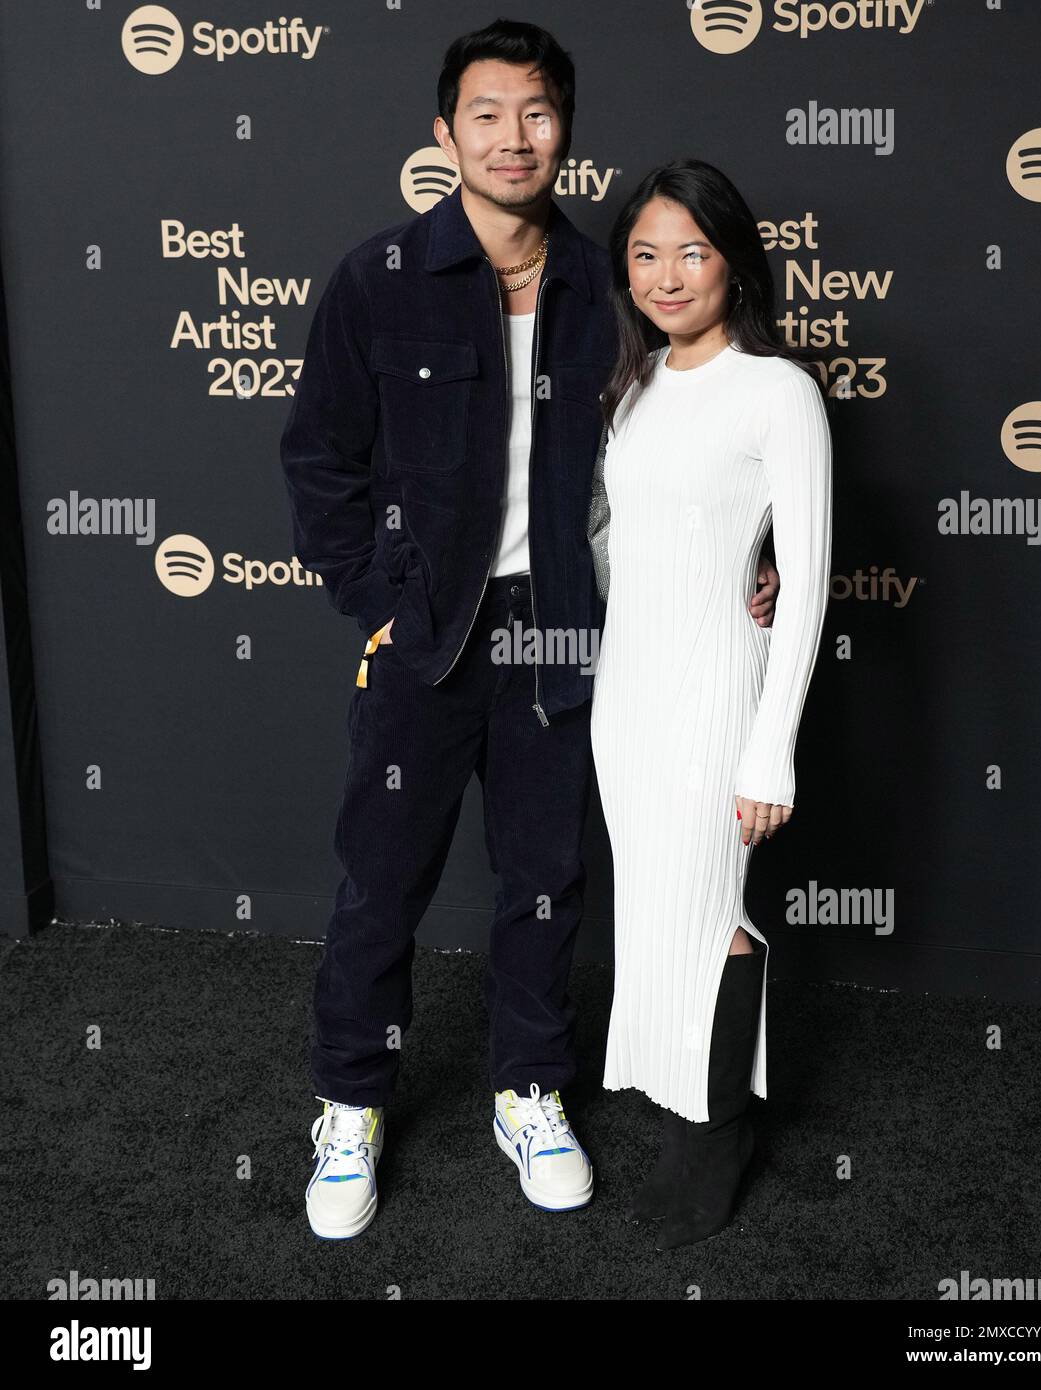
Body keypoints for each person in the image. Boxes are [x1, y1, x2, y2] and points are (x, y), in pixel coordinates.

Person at [281, 19, 781, 1241]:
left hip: (562, 632)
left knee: (547, 881)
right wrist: (384, 605)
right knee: (378, 883)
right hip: (429, 635)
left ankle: (529, 1089)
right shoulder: (376, 280)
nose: (515, 137)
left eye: (538, 113)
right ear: (444, 133)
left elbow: (687, 436)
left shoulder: (604, 285)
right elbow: (319, 459)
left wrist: (746, 552)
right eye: (488, 113)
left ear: (566, 128)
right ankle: (349, 1103)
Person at [587, 159, 833, 1250]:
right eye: (645, 253)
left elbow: (810, 572)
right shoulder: (632, 388)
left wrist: (768, 747)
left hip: (716, 693)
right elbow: (615, 543)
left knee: (713, 915)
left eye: (691, 250)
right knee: (654, 909)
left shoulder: (776, 390)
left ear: (733, 260)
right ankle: (682, 1099)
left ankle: (716, 1130)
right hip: (626, 694)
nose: (667, 274)